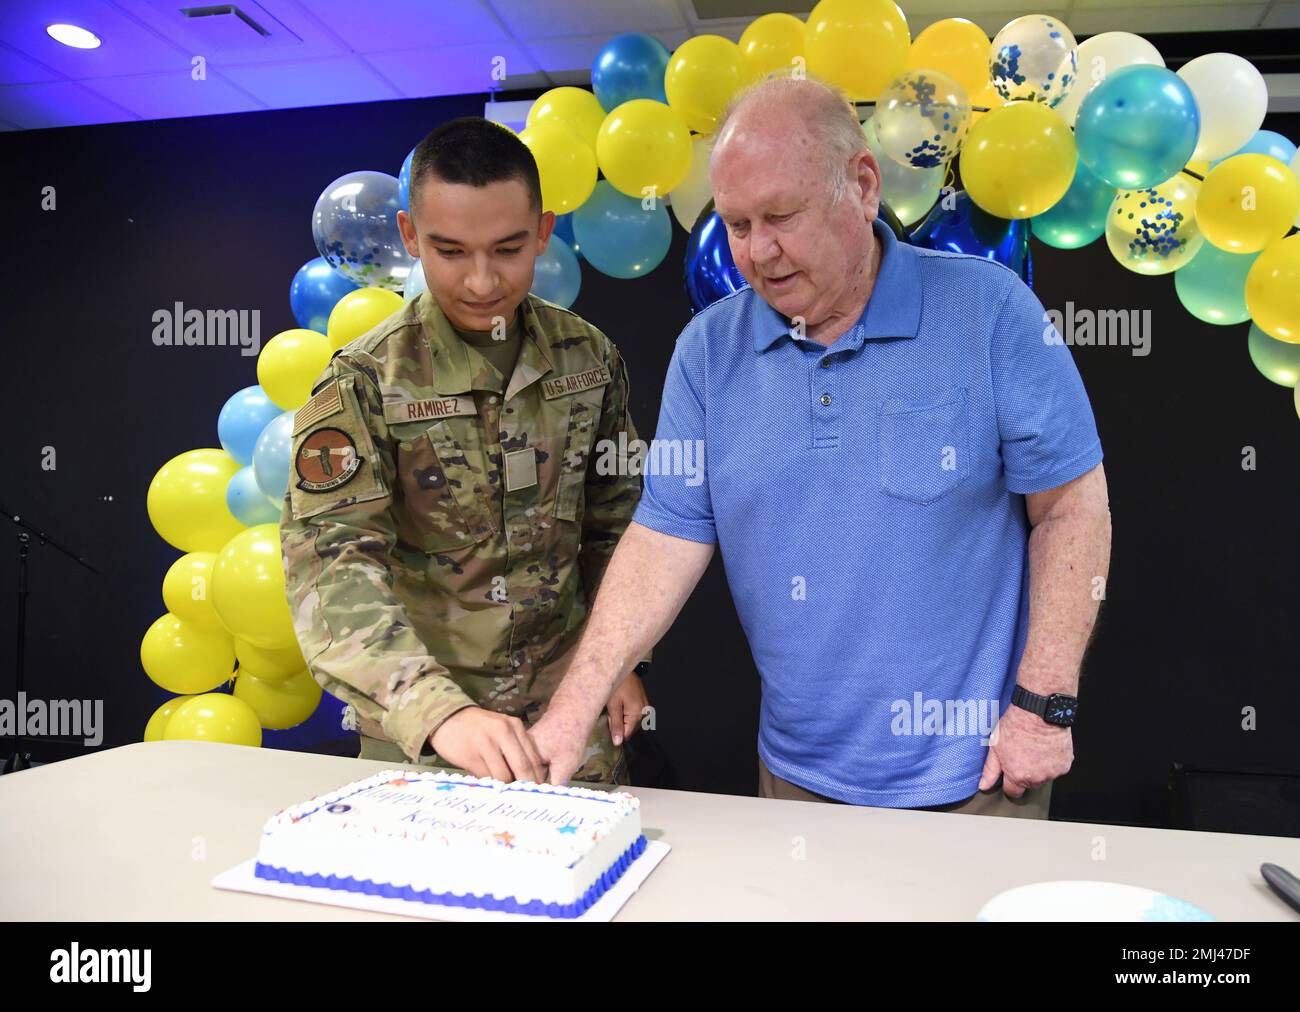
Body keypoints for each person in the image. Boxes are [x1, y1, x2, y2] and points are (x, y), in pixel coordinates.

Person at [530, 76, 1112, 817]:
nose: (759, 251)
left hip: (982, 778)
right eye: (737, 225)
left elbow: (1071, 508)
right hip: (793, 779)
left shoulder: (992, 312)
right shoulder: (709, 350)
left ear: (862, 185)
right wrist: (574, 703)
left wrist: (1044, 705)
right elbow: (665, 532)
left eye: (781, 216)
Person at [280, 117, 650, 784]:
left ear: (544, 232)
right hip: (425, 736)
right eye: (451, 252)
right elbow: (332, 567)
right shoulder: (364, 383)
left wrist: (618, 662)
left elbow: (617, 525)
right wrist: (436, 711)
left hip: (569, 722)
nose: (482, 282)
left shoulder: (589, 359)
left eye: (508, 249)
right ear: (410, 236)